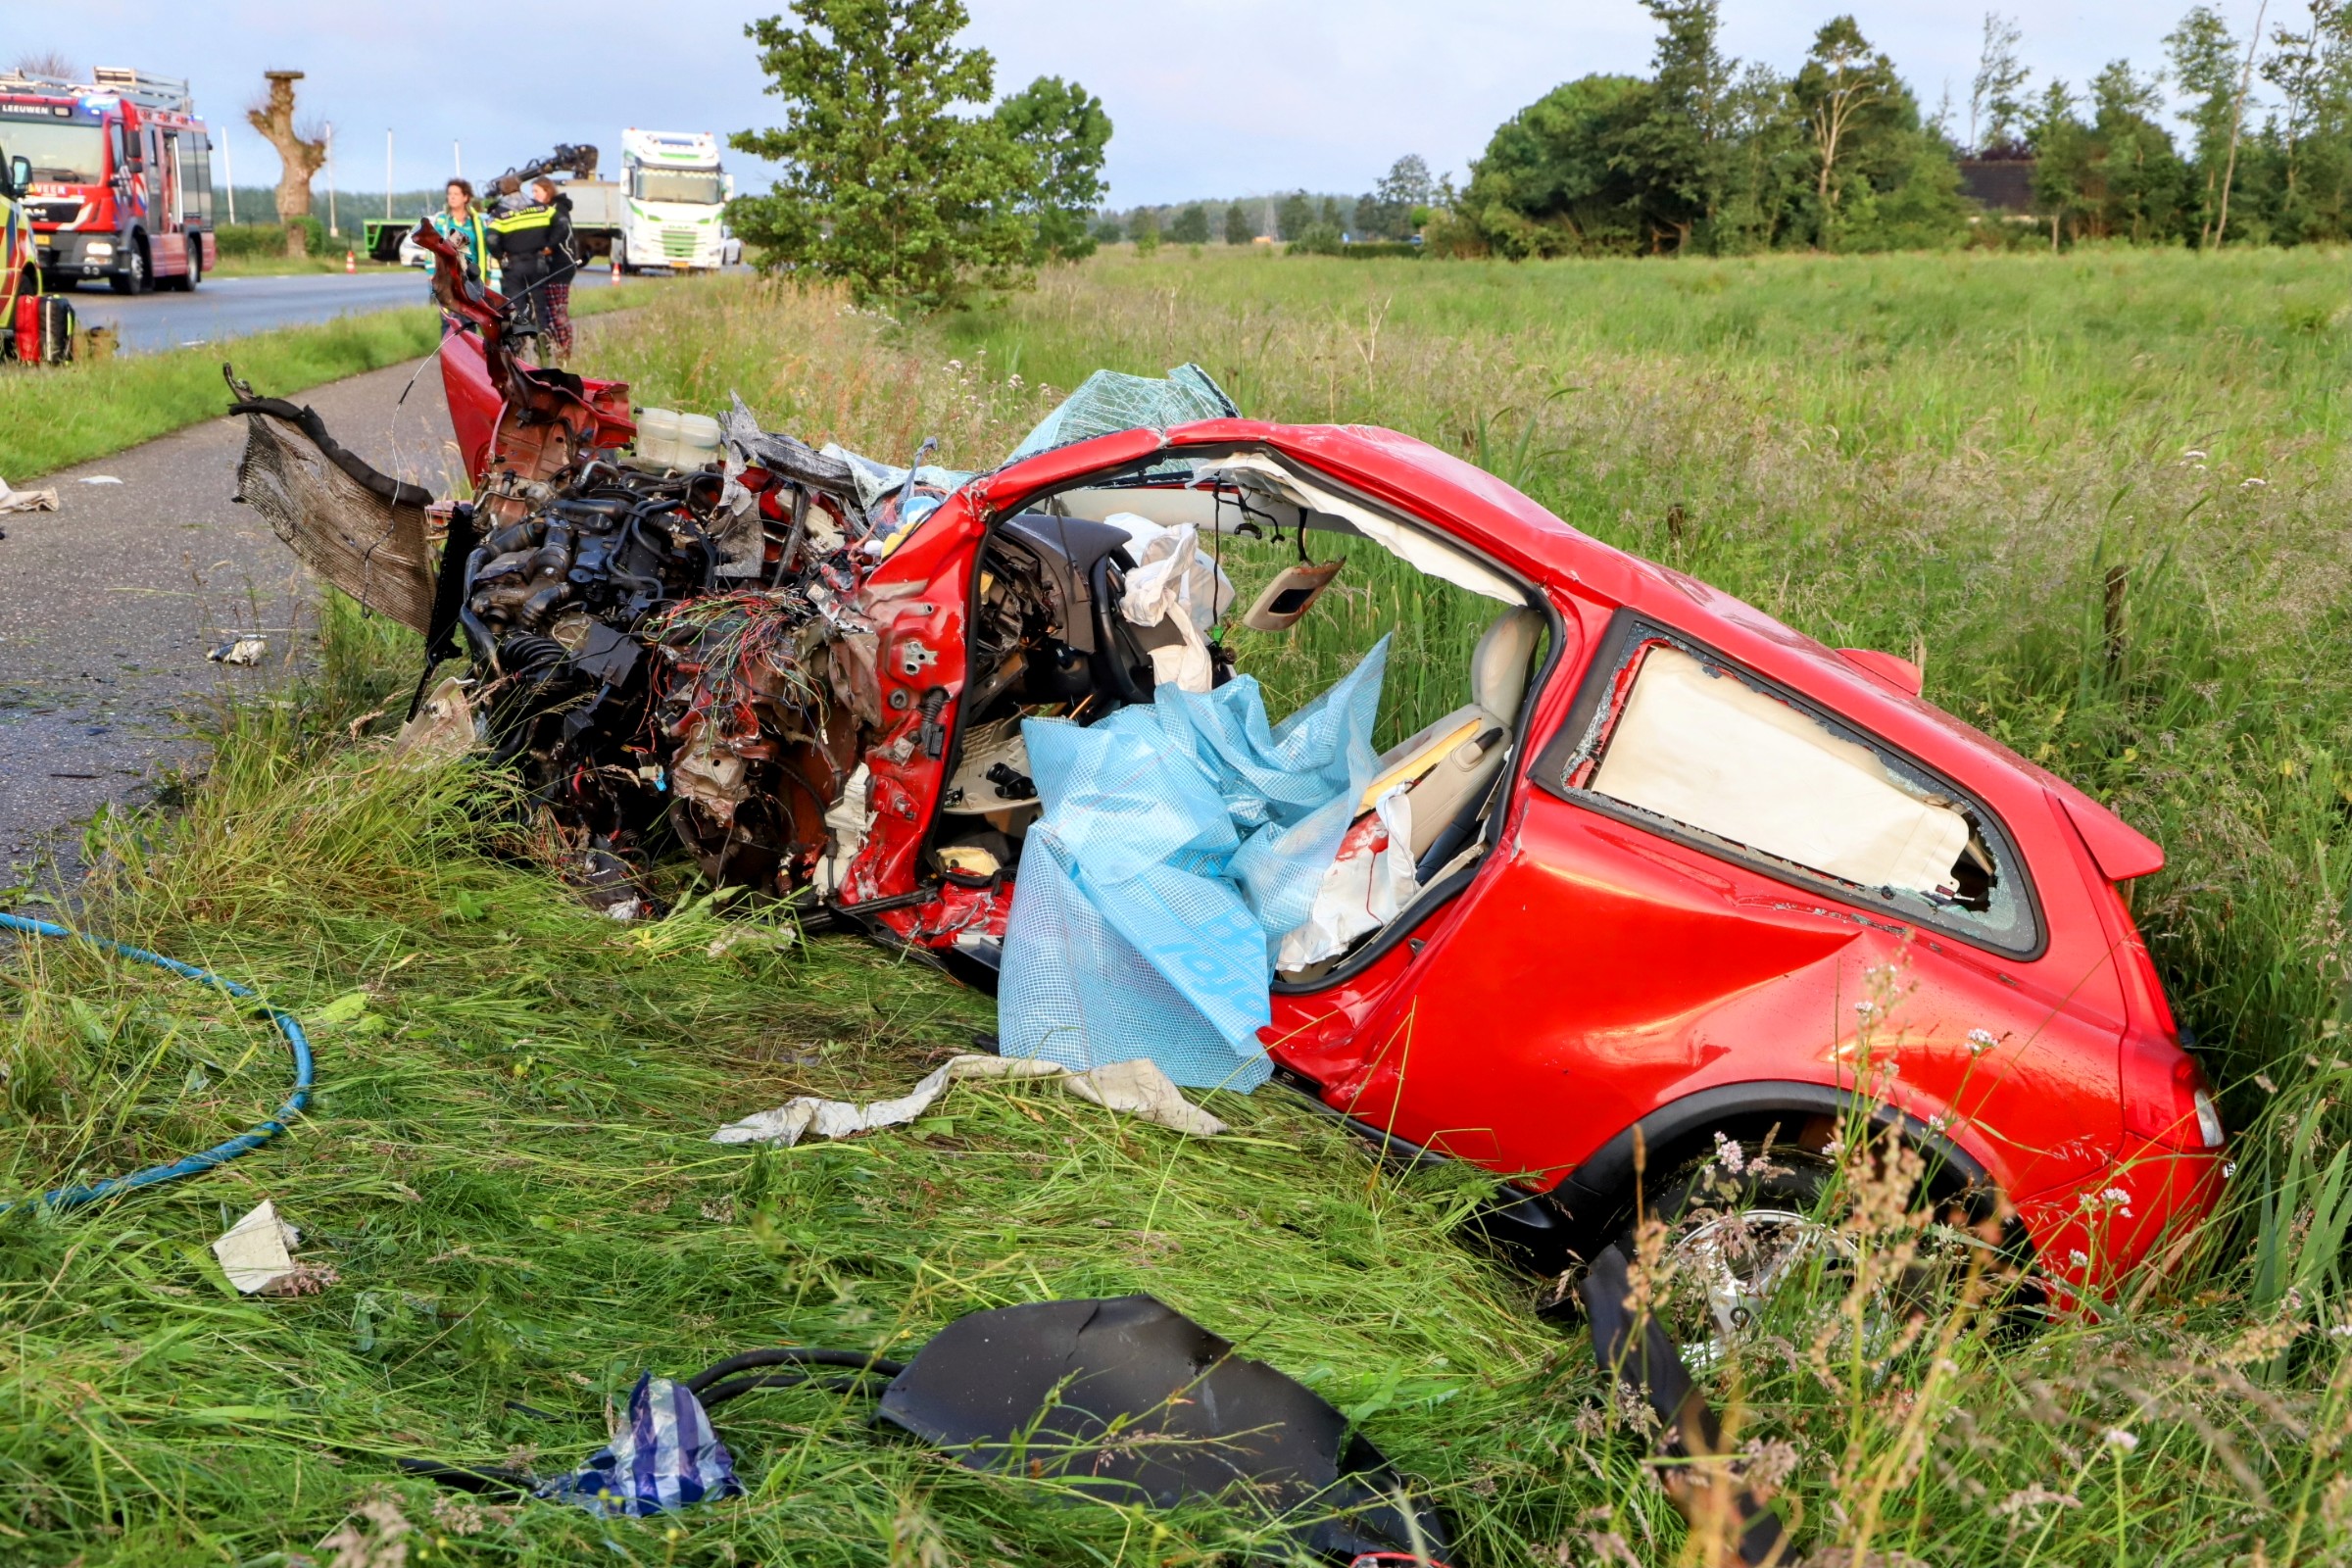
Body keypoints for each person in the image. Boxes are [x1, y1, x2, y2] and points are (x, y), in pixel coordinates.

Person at [487, 175, 579, 361]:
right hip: (538, 264)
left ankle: (521, 357)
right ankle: (543, 353)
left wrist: (500, 256)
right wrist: (549, 246)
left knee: (519, 310)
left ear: (503, 191)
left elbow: (491, 239)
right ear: (520, 187)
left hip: (513, 266)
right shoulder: (539, 208)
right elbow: (562, 225)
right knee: (540, 308)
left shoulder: (500, 212)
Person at [426, 178, 488, 284]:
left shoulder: (476, 221)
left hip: (473, 277)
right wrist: (431, 271)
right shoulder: (441, 220)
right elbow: (431, 246)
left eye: (456, 194)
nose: (452, 197)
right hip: (448, 277)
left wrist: (488, 275)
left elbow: (486, 249)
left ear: (465, 197)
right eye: (449, 194)